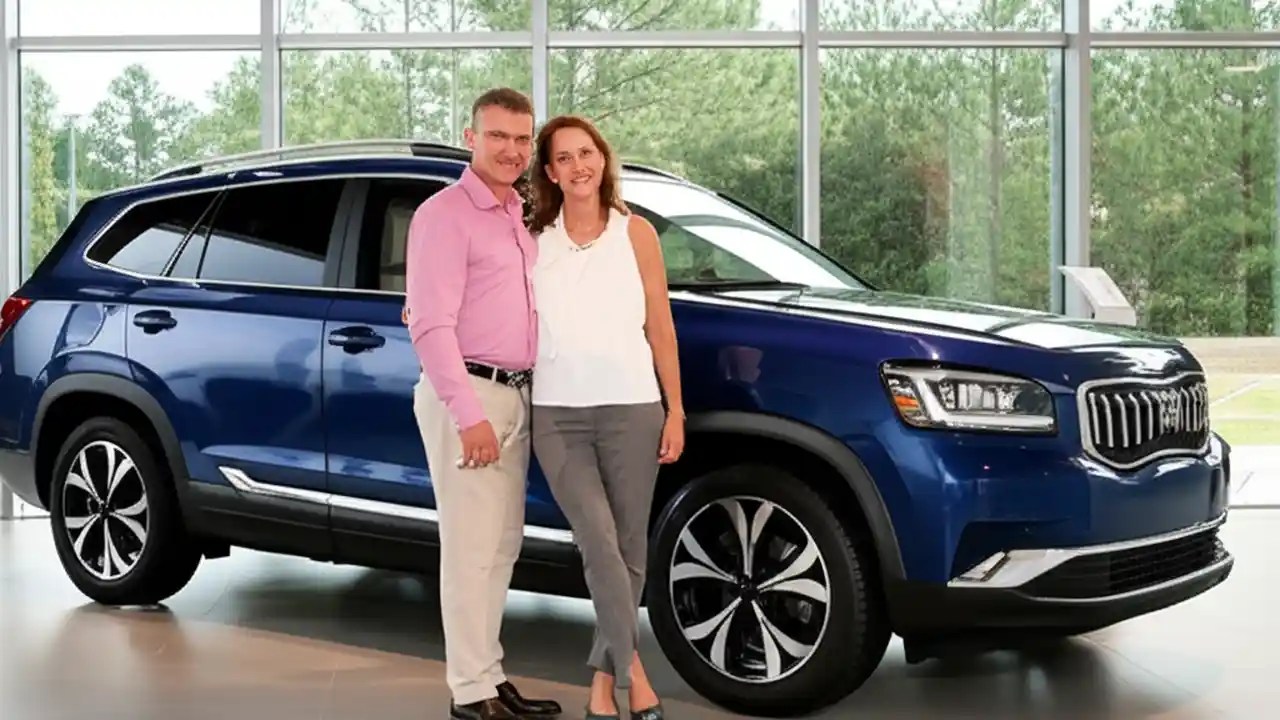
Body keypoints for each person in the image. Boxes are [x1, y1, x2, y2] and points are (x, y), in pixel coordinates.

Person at [405, 87, 564, 720]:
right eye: (498, 136)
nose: (512, 150)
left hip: (516, 395)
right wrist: (467, 413)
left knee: (501, 547)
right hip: (471, 396)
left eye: (523, 139)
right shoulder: (444, 214)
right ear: (471, 137)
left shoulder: (518, 213)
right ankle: (470, 694)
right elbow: (430, 325)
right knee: (471, 550)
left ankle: (488, 676)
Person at [527, 114, 685, 720]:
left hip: (633, 407)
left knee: (628, 546)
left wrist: (676, 410)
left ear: (603, 159)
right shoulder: (532, 238)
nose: (578, 166)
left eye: (586, 153)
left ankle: (601, 684)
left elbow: (661, 328)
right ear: (549, 172)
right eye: (564, 158)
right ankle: (636, 673)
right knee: (597, 540)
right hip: (557, 415)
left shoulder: (636, 233)